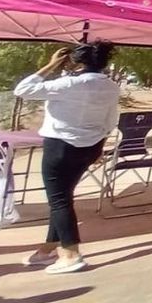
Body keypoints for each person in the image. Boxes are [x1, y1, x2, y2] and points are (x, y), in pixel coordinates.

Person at [15, 41, 120, 274]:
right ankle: (48, 248)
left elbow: (22, 89)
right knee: (63, 197)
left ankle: (71, 253)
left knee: (59, 200)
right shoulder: (111, 87)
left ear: (76, 61)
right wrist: (100, 145)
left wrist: (50, 65)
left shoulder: (67, 84)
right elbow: (111, 121)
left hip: (60, 147)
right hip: (90, 146)